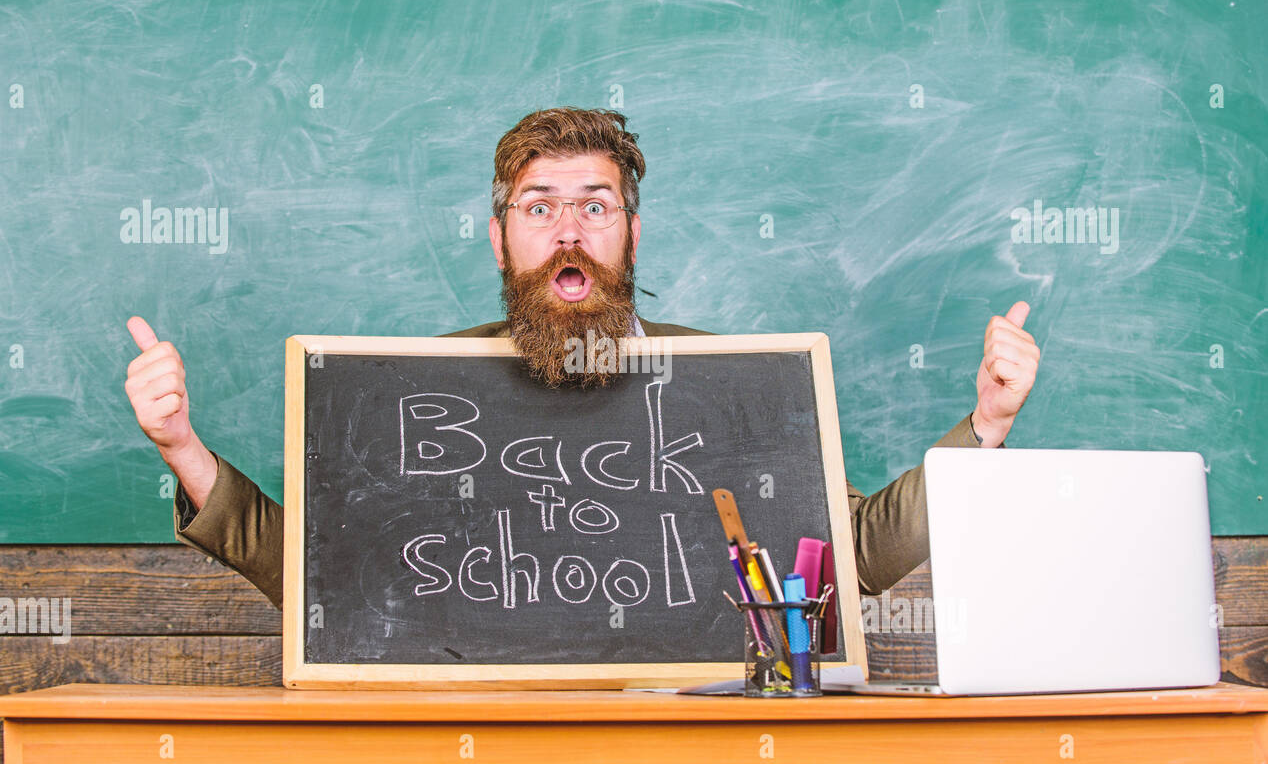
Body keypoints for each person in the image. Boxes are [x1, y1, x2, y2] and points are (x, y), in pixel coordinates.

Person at [123, 107, 1042, 609]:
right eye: (540, 208)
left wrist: (987, 426)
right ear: (499, 239)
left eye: (595, 207)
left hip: (690, 747)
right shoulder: (421, 386)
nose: (569, 232)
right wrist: (182, 449)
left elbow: (858, 556)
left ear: (631, 235)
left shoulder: (736, 381)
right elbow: (326, 572)